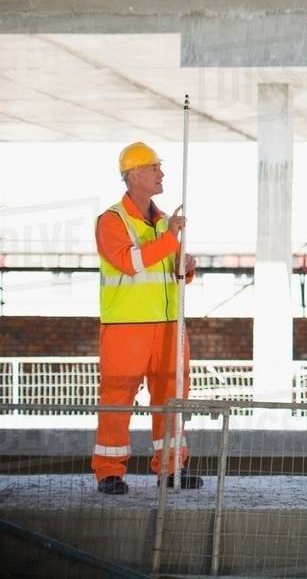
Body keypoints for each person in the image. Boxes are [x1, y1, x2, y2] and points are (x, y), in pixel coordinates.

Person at [92, 142, 202, 495]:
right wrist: (171, 240)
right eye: (154, 168)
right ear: (134, 175)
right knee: (117, 397)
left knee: (173, 398)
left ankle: (172, 468)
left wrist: (184, 267)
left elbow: (169, 272)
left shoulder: (164, 223)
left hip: (169, 326)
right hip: (127, 327)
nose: (161, 173)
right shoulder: (111, 221)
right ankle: (109, 472)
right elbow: (130, 262)